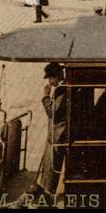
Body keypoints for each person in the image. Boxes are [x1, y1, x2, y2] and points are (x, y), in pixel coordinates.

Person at [28, 63, 68, 204]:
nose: (50, 82)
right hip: (55, 133)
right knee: (48, 161)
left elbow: (52, 113)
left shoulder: (62, 90)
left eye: (51, 78)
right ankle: (44, 187)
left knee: (53, 162)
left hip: (59, 134)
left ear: (58, 76)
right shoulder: (61, 88)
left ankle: (49, 192)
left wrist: (45, 97)